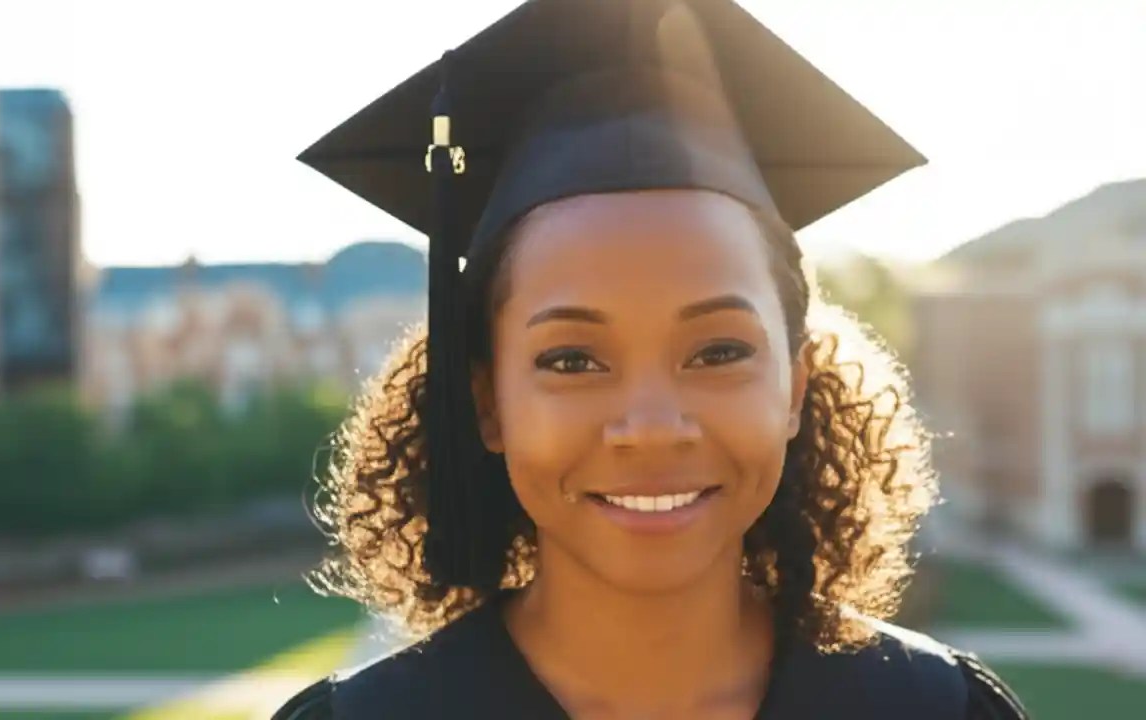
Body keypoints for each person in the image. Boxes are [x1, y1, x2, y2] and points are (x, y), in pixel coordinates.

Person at [275, 0, 1030, 717]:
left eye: (719, 351)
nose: (651, 427)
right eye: (572, 360)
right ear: (486, 401)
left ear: (796, 388)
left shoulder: (929, 711)